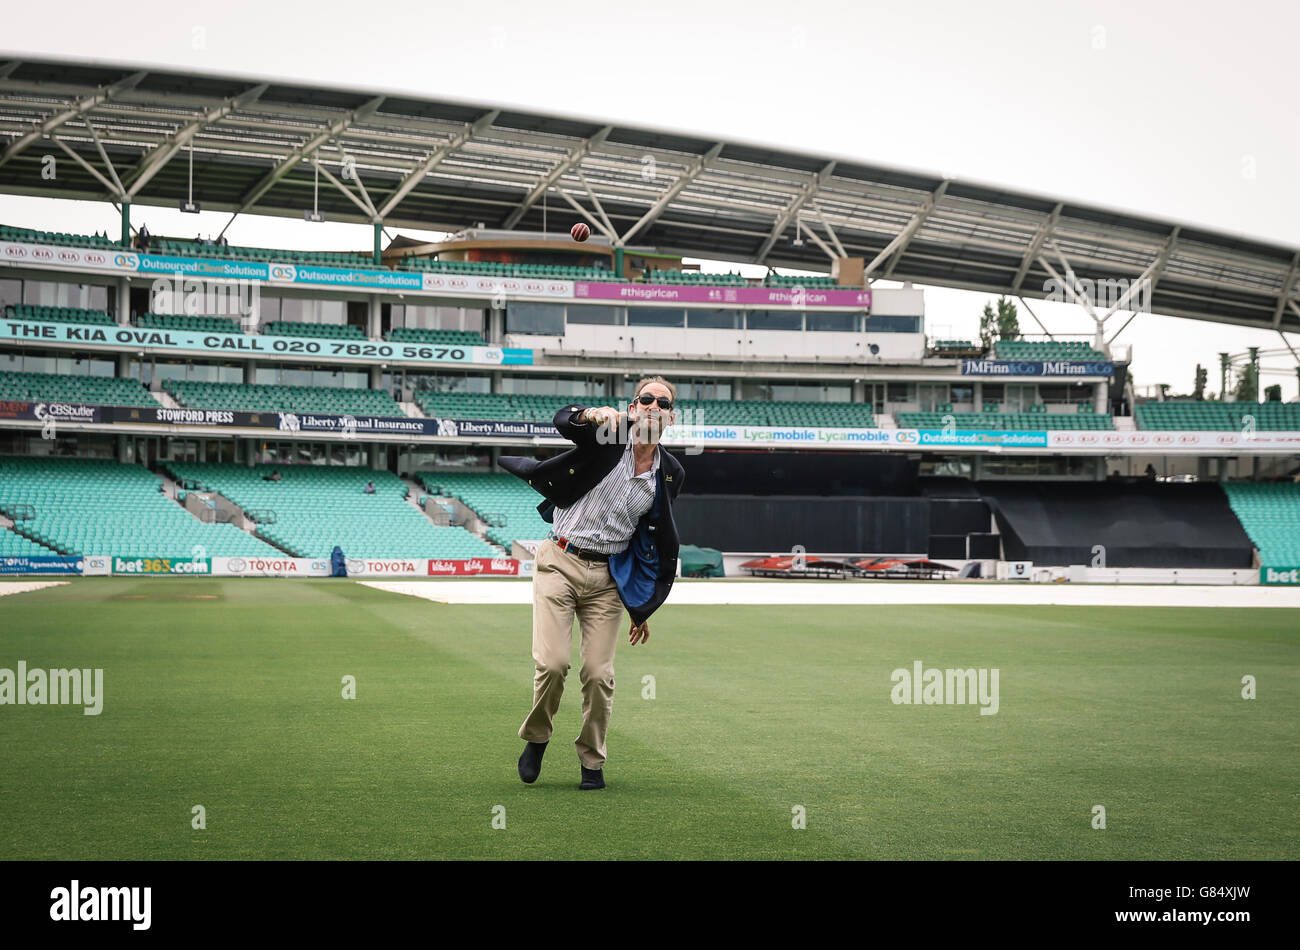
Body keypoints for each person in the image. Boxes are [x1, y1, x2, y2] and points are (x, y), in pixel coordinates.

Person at [498, 377, 686, 790]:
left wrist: (643, 605)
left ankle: (592, 760)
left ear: (671, 417)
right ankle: (538, 738)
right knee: (552, 664)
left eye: (663, 402)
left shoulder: (670, 474)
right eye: (646, 399)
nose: (653, 406)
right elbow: (563, 420)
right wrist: (590, 415)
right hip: (558, 562)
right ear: (632, 408)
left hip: (607, 579)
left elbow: (650, 539)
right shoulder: (607, 437)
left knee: (599, 674)